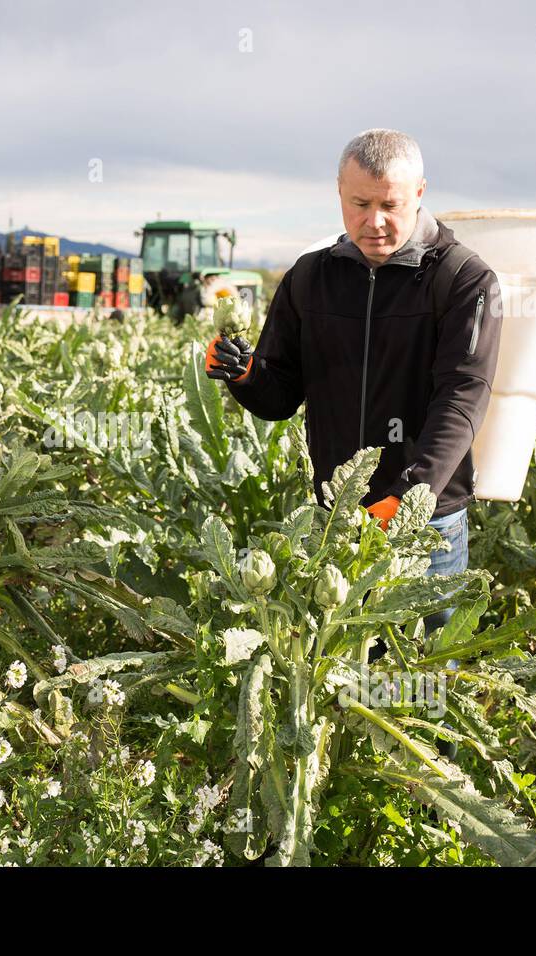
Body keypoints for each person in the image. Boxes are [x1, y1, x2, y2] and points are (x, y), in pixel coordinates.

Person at [205, 128, 502, 687]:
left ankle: (429, 777)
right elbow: (280, 394)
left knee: (427, 683)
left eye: (390, 205)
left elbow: (462, 398)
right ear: (339, 194)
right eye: (359, 204)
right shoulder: (309, 279)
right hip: (335, 518)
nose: (375, 221)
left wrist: (409, 496)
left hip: (426, 524)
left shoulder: (463, 279)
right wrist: (243, 373)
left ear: (419, 193)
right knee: (344, 680)